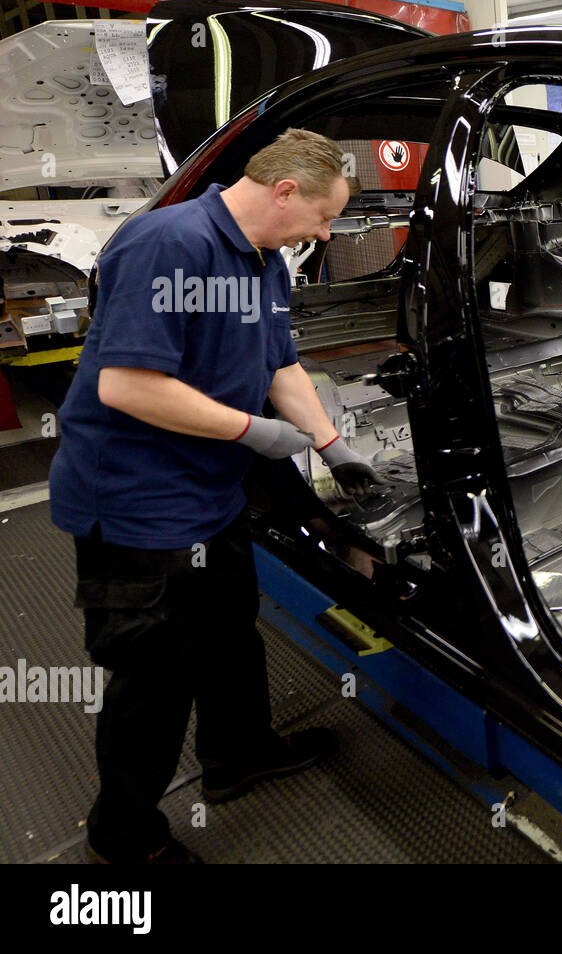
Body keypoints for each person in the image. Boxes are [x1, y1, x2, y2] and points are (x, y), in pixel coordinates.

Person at [48, 128, 383, 864]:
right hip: (134, 506)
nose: (327, 233)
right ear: (285, 191)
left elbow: (280, 365)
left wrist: (332, 443)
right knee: (153, 680)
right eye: (324, 217)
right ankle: (124, 837)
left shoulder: (265, 262)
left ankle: (238, 755)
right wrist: (252, 433)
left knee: (230, 632)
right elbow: (125, 384)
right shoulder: (166, 245)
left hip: (210, 496)